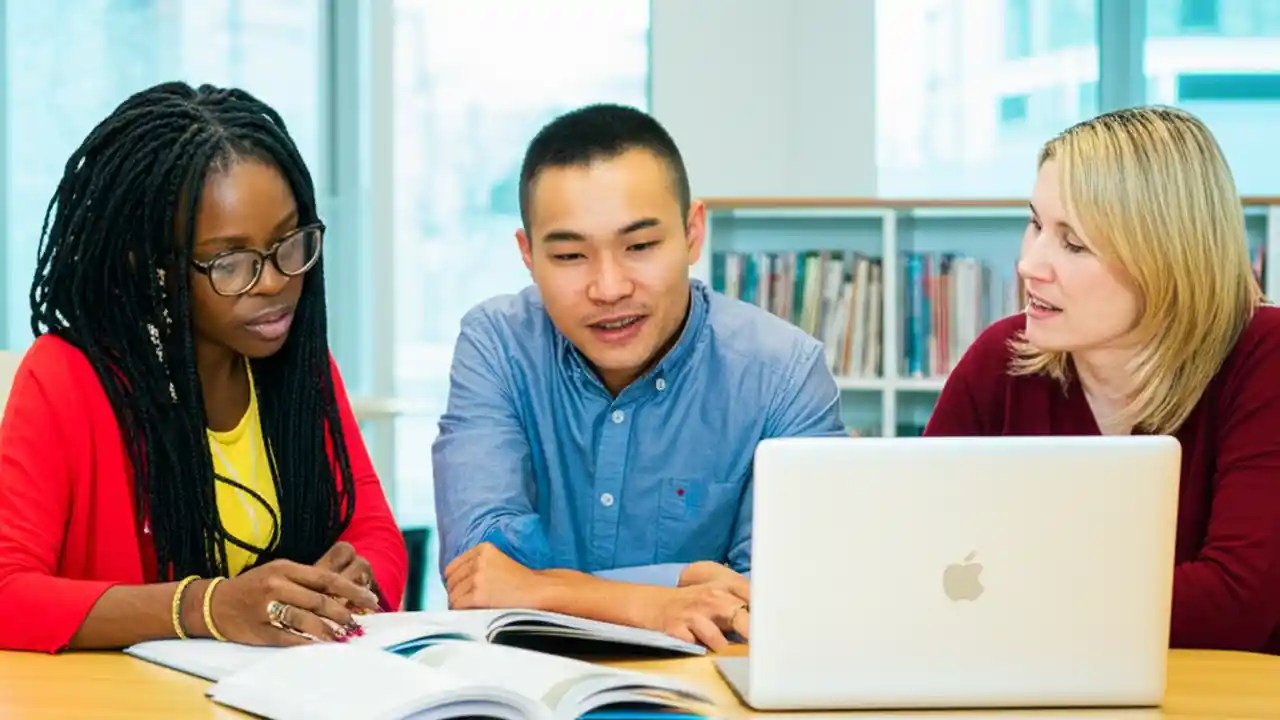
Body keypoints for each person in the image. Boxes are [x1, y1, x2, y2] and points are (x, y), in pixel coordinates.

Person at [0, 82, 408, 653]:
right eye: (232, 261)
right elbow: (7, 594)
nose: (274, 281)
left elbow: (372, 527)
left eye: (290, 243)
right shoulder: (67, 379)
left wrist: (350, 584)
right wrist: (208, 606)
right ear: (154, 269)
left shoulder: (300, 366)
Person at [432, 104, 846, 649]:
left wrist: (541, 589)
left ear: (692, 233)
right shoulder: (498, 344)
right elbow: (479, 572)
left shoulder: (784, 375)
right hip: (523, 686)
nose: (608, 288)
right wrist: (657, 596)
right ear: (528, 255)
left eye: (641, 247)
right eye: (571, 254)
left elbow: (772, 600)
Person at [924, 105, 1280, 654]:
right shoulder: (1001, 357)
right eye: (1036, 225)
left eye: (1074, 243)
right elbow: (917, 556)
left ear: (1166, 259)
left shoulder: (1265, 355)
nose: (1029, 265)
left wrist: (1006, 597)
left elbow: (1235, 607)